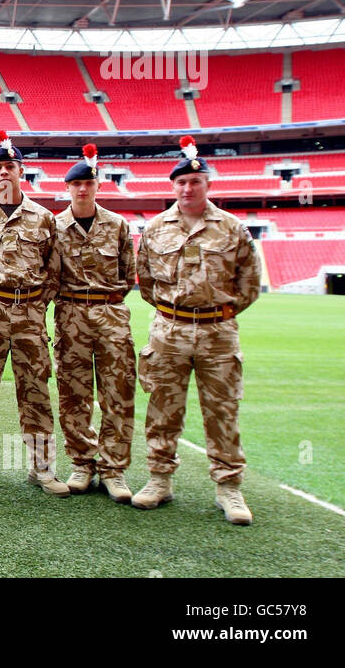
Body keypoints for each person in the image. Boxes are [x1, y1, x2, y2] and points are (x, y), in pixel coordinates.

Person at [132, 136, 260, 525]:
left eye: (195, 181)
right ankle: (159, 479)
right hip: (168, 331)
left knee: (222, 411)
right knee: (162, 409)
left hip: (218, 333)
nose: (188, 189)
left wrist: (215, 313)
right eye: (181, 183)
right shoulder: (156, 229)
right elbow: (148, 282)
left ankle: (229, 488)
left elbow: (249, 284)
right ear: (173, 186)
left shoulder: (233, 228)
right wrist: (175, 313)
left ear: (207, 184)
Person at [0, 131, 68, 497]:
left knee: (35, 391)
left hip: (30, 318)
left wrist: (35, 304)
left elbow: (54, 271)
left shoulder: (43, 219)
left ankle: (43, 469)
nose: (4, 173)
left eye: (11, 167)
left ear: (22, 171)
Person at [52, 144, 138, 503]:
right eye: (76, 185)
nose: (82, 189)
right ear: (68, 188)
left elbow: (129, 274)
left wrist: (106, 302)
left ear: (97, 186)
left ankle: (114, 468)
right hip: (70, 315)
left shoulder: (118, 225)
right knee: (74, 393)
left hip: (110, 315)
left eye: (88, 183)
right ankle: (82, 463)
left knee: (118, 390)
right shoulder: (54, 226)